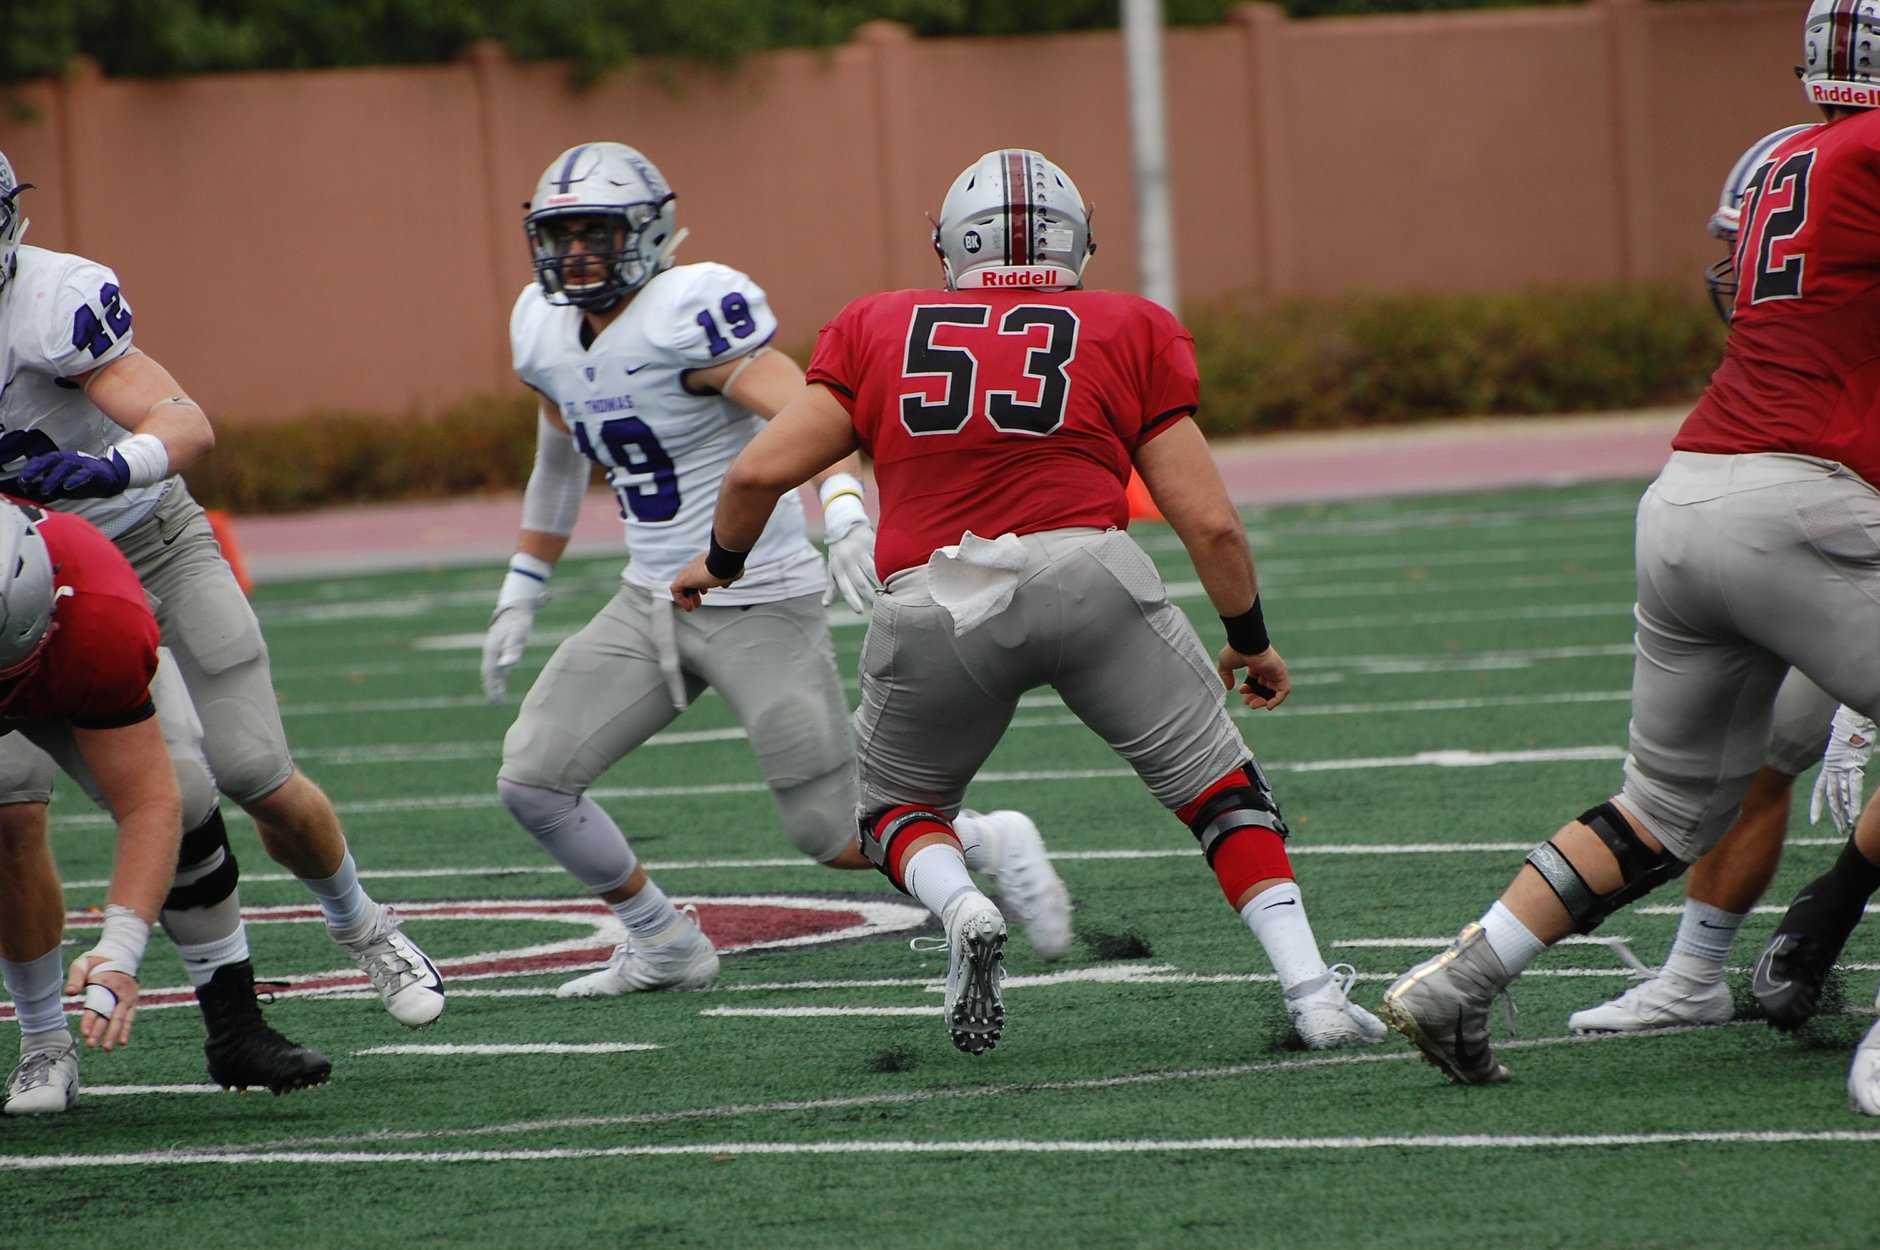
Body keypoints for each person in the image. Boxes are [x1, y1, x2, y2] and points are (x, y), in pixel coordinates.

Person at [671, 147, 1383, 1056]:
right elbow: (1212, 525)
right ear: (1081, 240)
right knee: (1221, 794)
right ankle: (1314, 994)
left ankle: (963, 902)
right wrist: (1248, 637)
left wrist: (721, 565)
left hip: (936, 598)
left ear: (948, 244)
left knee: (893, 814)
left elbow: (757, 472)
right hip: (1090, 578)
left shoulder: (877, 326)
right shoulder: (1129, 325)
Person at [1378, 0, 1880, 1102]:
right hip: (1804, 500)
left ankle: (1462, 975)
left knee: (1658, 806)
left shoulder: (1786, 158)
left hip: (1688, 495)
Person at [483, 142, 1070, 997]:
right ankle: (664, 942)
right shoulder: (541, 327)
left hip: (756, 597)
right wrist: (521, 588)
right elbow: (560, 460)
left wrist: (842, 510)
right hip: (649, 598)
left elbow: (813, 413)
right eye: (560, 232)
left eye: (595, 231)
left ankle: (989, 840)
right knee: (533, 783)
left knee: (833, 835)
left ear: (645, 234)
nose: (575, 252)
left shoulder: (688, 309)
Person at [0, 150, 445, 1054]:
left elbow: (183, 423)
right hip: (24, 584)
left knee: (253, 772)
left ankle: (361, 922)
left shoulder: (50, 302)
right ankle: (43, 1041)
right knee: (14, 808)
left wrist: (105, 466)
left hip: (146, 543)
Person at [1566, 124, 1875, 1035]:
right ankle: (1696, 972)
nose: (1736, 271)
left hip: (1847, 540)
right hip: (1820, 537)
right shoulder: (1821, 199)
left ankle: (1829, 914)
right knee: (1763, 756)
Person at [0, 502, 182, 1114]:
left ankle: (45, 1041)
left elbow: (148, 802)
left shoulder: (100, 615)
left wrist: (120, 949)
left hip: (72, 650)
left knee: (14, 809)